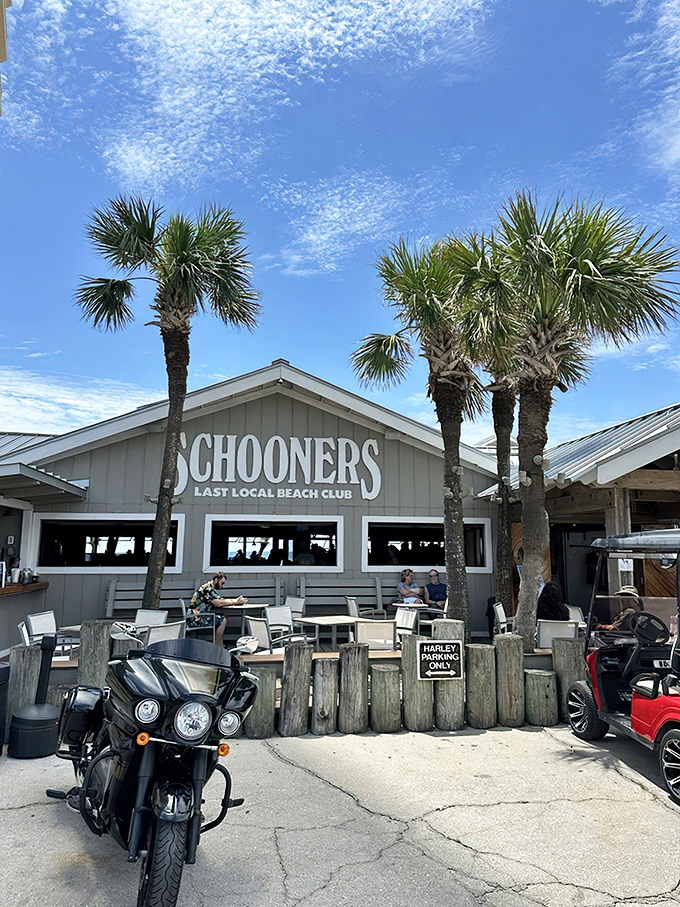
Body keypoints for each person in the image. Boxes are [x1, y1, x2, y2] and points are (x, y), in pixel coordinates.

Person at [188, 572, 248, 646]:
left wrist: (236, 601)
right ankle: (218, 644)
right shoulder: (208, 590)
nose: (222, 586)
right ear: (216, 580)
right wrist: (236, 601)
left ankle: (219, 643)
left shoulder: (208, 588)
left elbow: (221, 600)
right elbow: (219, 603)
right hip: (195, 619)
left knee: (221, 617)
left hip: (197, 616)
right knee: (222, 619)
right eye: (222, 583)